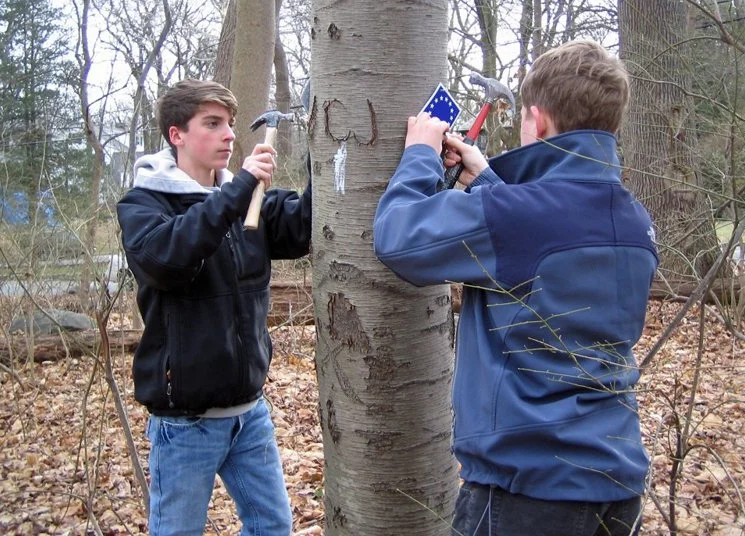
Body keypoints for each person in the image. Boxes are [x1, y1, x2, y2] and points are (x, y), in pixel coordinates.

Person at [373, 40, 658, 536]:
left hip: (529, 494)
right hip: (615, 480)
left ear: (538, 120)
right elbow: (547, 257)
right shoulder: (633, 219)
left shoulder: (519, 217)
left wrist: (419, 154)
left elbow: (397, 237)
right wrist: (488, 182)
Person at [117, 79, 311, 535]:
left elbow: (305, 227)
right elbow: (169, 258)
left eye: (230, 124)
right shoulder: (145, 204)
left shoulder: (251, 199)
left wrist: (323, 154)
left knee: (273, 528)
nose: (228, 134)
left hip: (249, 414)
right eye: (212, 124)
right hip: (185, 424)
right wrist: (238, 190)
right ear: (176, 134)